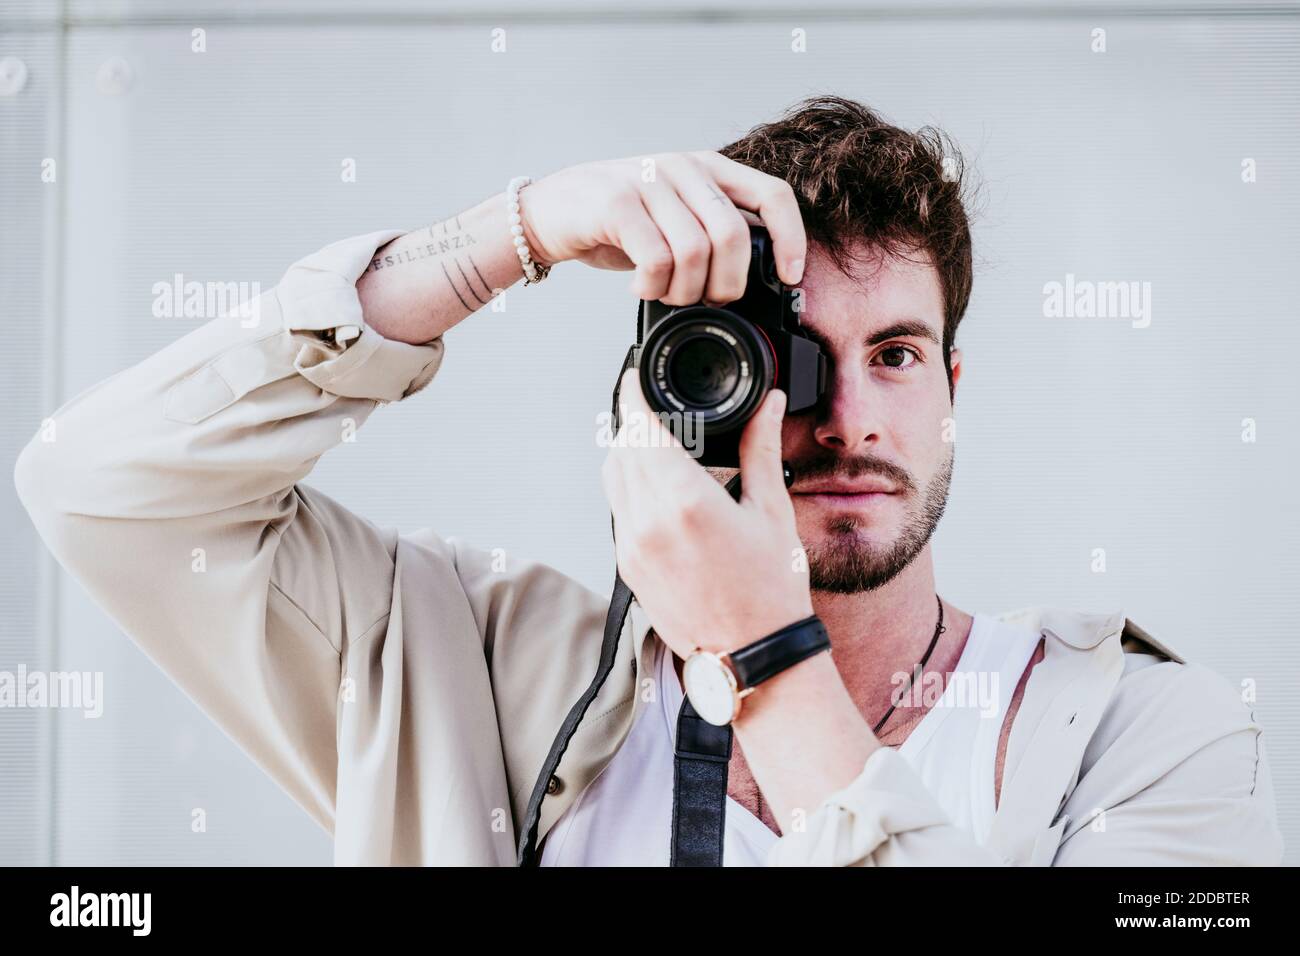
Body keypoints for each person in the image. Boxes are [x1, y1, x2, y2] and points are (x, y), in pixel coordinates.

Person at [14, 96, 1283, 866]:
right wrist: (511, 234)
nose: (841, 416)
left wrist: (764, 654)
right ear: (680, 385)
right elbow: (99, 484)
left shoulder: (1152, 736)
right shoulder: (478, 671)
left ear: (954, 386)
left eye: (893, 355)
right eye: (784, 361)